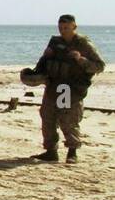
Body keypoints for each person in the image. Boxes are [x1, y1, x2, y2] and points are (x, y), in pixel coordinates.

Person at [27, 13, 104, 163]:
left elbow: (99, 66)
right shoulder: (55, 42)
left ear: (74, 27)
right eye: (61, 27)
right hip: (53, 85)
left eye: (67, 27)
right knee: (47, 117)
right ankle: (51, 151)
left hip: (69, 88)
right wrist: (45, 57)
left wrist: (80, 59)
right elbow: (42, 66)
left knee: (68, 119)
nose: (63, 30)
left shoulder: (83, 44)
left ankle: (72, 152)